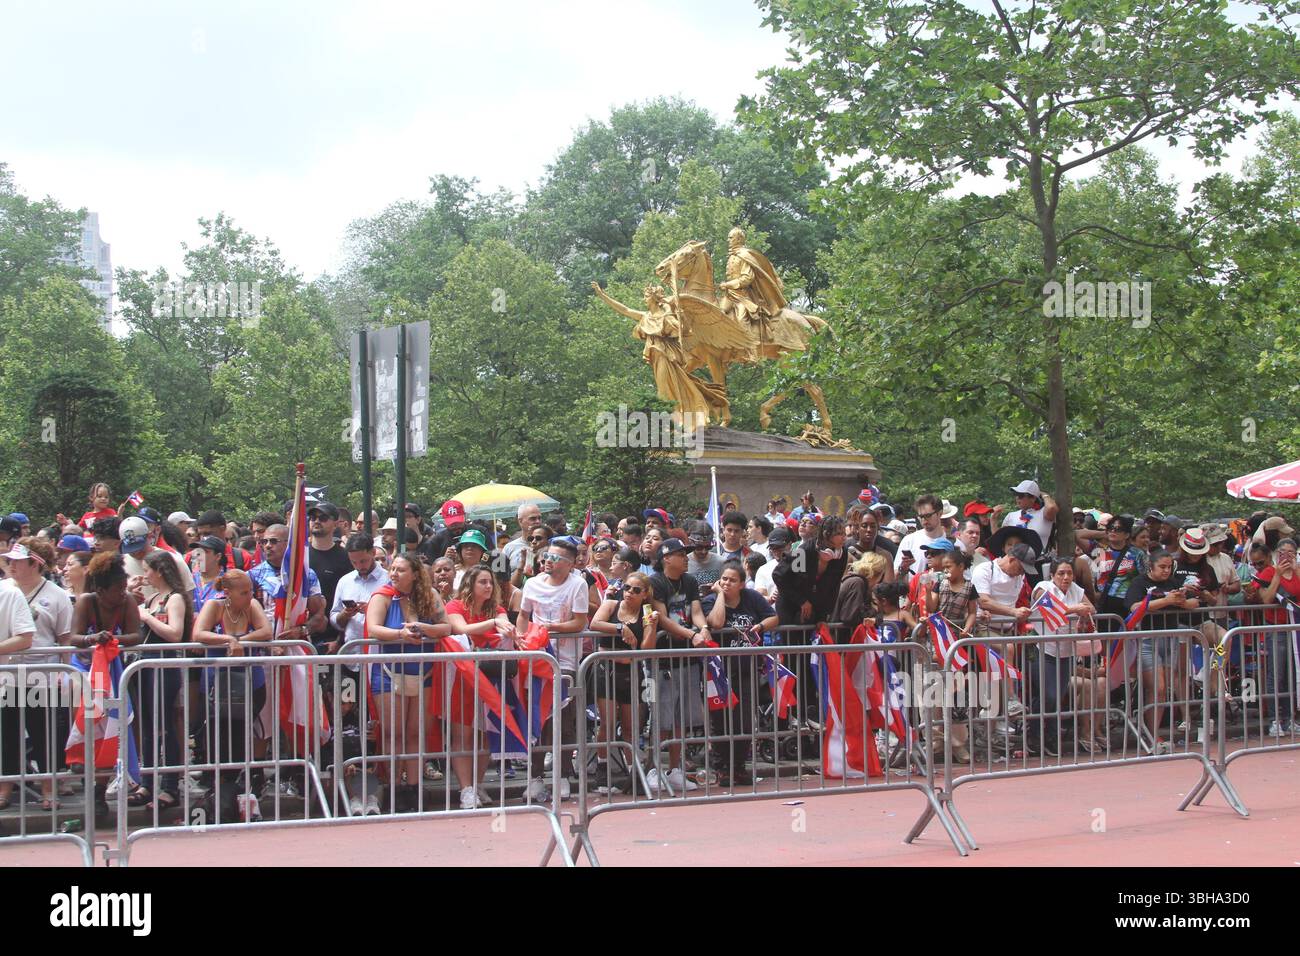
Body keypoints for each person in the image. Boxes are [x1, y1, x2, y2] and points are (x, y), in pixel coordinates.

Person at [365, 554, 450, 811]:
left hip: (423, 672)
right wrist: (400, 633)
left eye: (400, 570)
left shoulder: (429, 596)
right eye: (392, 568)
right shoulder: (382, 596)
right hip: (389, 673)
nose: (393, 573)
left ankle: (413, 789)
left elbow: (445, 627)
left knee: (415, 732)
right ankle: (393, 787)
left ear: (414, 573)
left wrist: (423, 628)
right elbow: (373, 629)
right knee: (393, 732)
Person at [193, 569, 273, 821]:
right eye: (244, 592)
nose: (250, 595)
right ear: (227, 593)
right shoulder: (214, 606)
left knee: (241, 734)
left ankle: (239, 785)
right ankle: (221, 788)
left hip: (250, 682)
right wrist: (228, 640)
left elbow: (266, 631)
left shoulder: (253, 606)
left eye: (251, 590)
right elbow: (199, 633)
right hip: (218, 683)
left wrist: (241, 641)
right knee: (217, 733)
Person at [516, 536, 590, 801]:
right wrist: (523, 640)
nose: (548, 561)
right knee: (536, 720)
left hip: (565, 663)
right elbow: (523, 616)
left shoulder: (578, 585)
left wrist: (549, 629)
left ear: (569, 564)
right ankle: (535, 778)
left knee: (563, 721)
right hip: (536, 661)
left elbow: (579, 623)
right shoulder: (532, 584)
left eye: (555, 558)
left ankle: (562, 775)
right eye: (547, 556)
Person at [70, 553, 146, 808]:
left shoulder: (127, 603)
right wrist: (93, 639)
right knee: (92, 726)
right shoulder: (86, 602)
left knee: (113, 727)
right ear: (101, 590)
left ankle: (101, 787)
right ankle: (88, 776)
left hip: (113, 671)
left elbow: (136, 635)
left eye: (125, 588)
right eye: (118, 589)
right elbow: (74, 637)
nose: (123, 593)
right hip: (84, 669)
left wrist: (112, 640)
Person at [0, 539, 69, 810]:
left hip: (43, 674)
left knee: (44, 735)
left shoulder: (56, 595)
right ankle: (5, 787)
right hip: (7, 674)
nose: (11, 564)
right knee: (6, 735)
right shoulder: (5, 590)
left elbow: (65, 638)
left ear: (35, 563)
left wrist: (66, 671)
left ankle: (48, 788)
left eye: (17, 560)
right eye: (10, 560)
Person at [701, 561, 778, 785]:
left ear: (742, 584)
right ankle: (722, 768)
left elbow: (773, 617)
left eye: (732, 580)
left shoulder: (752, 598)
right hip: (719, 672)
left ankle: (739, 767)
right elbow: (715, 622)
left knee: (743, 721)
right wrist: (720, 596)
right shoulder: (711, 600)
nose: (726, 583)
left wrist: (761, 626)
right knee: (720, 720)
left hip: (746, 669)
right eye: (724, 579)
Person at [645, 538, 711, 793]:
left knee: (681, 718)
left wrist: (702, 628)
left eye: (686, 553)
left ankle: (675, 769)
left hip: (687, 658)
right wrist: (690, 635)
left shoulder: (690, 581)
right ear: (666, 558)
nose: (686, 557)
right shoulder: (655, 582)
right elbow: (660, 616)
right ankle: (654, 768)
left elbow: (695, 609)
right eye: (680, 553)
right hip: (662, 660)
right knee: (660, 717)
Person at [444, 566, 513, 809]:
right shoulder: (455, 606)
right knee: (463, 733)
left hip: (490, 676)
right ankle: (465, 788)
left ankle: (478, 783)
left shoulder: (497, 609)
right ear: (470, 584)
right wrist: (493, 623)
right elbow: (461, 629)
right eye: (482, 582)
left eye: (490, 582)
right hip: (461, 678)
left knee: (484, 732)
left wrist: (503, 624)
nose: (488, 586)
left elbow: (505, 624)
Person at [588, 570, 658, 794]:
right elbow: (595, 623)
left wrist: (653, 626)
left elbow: (647, 648)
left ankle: (633, 774)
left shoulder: (647, 612)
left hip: (631, 672)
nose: (629, 593)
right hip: (605, 670)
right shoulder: (610, 605)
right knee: (606, 724)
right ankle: (602, 771)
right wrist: (621, 628)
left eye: (636, 590)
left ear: (645, 594)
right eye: (627, 587)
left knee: (630, 727)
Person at [136, 550, 196, 810]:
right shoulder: (151, 598)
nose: (144, 575)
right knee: (148, 726)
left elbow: (175, 633)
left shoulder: (174, 599)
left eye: (147, 569)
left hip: (166, 666)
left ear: (159, 571)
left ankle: (170, 786)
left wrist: (146, 616)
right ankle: (147, 783)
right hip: (147, 668)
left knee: (165, 726)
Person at [1027, 559, 1103, 755]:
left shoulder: (1075, 589)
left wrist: (1081, 609)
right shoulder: (1043, 587)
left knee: (1058, 696)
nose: (1066, 577)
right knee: (1047, 695)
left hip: (1067, 650)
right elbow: (1050, 607)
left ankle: (1051, 737)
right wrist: (1075, 609)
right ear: (1052, 575)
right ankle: (1034, 735)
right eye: (1061, 573)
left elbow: (1091, 608)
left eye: (1069, 573)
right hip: (1042, 648)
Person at [1249, 537, 1299, 737]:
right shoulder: (1268, 572)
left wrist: (1295, 570)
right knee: (1275, 675)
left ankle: (1290, 718)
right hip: (1276, 628)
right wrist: (1278, 575)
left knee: (1292, 674)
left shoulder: (1297, 572)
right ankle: (1274, 719)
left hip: (1295, 630)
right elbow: (1266, 599)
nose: (1286, 556)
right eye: (1283, 553)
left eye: (1291, 553)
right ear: (1276, 554)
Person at [773, 516, 848, 638]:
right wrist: (801, 601)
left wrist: (822, 616)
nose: (844, 537)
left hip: (813, 608)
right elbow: (779, 576)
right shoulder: (805, 551)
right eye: (839, 534)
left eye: (844, 533)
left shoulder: (842, 554)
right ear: (826, 534)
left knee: (807, 649)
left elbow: (834, 586)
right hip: (789, 605)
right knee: (790, 649)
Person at [307, 503, 355, 655]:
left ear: (335, 523)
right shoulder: (299, 557)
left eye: (323, 518)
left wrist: (339, 640)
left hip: (335, 638)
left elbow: (352, 602)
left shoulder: (346, 558)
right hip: (303, 636)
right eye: (313, 517)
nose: (317, 521)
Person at [894, 495, 950, 581]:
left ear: (940, 513)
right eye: (921, 516)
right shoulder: (909, 540)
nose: (924, 520)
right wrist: (903, 568)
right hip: (914, 592)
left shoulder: (952, 542)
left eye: (928, 515)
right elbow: (894, 576)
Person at [834, 551, 889, 632]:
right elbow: (850, 617)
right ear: (877, 574)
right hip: (840, 638)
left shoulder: (855, 581)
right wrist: (874, 617)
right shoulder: (857, 582)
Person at [1002, 480, 1058, 558]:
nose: (1017, 498)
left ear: (1033, 498)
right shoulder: (1011, 516)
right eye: (1016, 495)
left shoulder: (1044, 513)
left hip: (1038, 561)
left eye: (1021, 495)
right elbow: (1001, 540)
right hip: (1015, 561)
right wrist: (993, 520)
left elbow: (1051, 507)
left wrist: (1044, 495)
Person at [189, 535, 227, 615]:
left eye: (205, 552)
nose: (199, 556)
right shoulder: (188, 580)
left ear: (218, 556)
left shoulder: (229, 581)